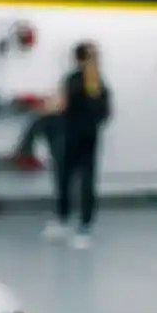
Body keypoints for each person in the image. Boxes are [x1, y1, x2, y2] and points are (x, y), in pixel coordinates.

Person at [42, 41, 111, 249]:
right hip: (86, 135)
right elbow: (105, 112)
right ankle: (78, 224)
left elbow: (60, 104)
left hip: (73, 135)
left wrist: (51, 108)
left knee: (69, 178)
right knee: (81, 179)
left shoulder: (82, 80)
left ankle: (76, 223)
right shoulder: (96, 81)